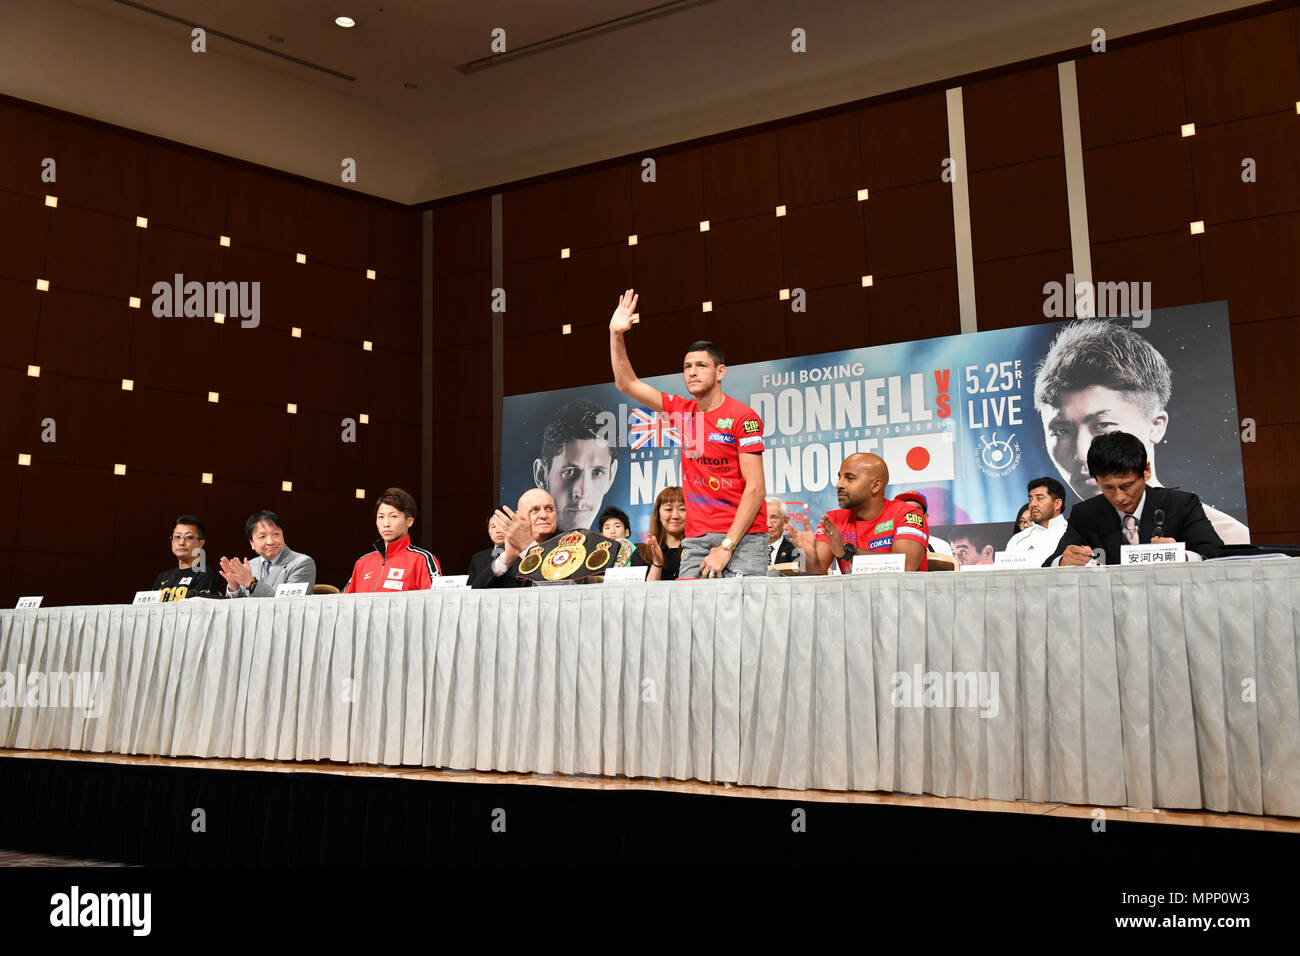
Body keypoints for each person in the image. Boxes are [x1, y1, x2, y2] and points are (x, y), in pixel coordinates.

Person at [1033, 318, 1248, 544]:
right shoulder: (1072, 528)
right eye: (1060, 431)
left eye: (1102, 425)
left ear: (1156, 425)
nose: (1082, 453)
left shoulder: (1229, 537)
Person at [609, 289, 768, 579]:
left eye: (701, 366)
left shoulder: (743, 417)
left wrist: (726, 547)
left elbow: (756, 488)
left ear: (720, 372)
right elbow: (626, 383)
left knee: (744, 620)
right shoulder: (681, 411)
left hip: (743, 537)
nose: (692, 372)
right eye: (687, 367)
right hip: (696, 538)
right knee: (692, 618)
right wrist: (616, 334)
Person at [1045, 431, 1223, 567]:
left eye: (1126, 486)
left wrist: (1182, 556)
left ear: (1146, 471)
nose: (1119, 497)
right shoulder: (1085, 514)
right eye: (1108, 487)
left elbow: (1216, 555)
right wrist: (1062, 561)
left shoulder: (1181, 505)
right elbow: (1049, 564)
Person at [794, 453, 929, 574]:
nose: (838, 484)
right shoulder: (834, 519)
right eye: (839, 477)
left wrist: (846, 552)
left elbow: (906, 566)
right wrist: (808, 557)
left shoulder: (908, 515)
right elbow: (815, 572)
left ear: (875, 486)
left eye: (850, 478)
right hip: (854, 600)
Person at [532, 399, 618, 532]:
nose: (583, 491)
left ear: (611, 476)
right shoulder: (521, 551)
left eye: (597, 473)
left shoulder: (620, 551)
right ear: (541, 475)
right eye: (569, 472)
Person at [343, 488, 442, 593]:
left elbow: (437, 602)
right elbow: (342, 603)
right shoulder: (362, 563)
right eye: (381, 517)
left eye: (393, 516)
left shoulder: (422, 560)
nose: (386, 524)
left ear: (409, 522)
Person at [473, 488, 558, 588]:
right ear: (519, 517)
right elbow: (476, 590)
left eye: (549, 509)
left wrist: (528, 548)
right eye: (534, 510)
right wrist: (506, 559)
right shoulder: (508, 550)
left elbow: (563, 588)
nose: (543, 515)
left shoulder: (572, 542)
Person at [218, 510, 316, 597]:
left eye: (276, 534)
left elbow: (288, 604)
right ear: (252, 543)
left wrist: (252, 583)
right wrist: (234, 587)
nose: (271, 541)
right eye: (262, 536)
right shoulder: (247, 567)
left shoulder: (302, 563)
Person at [152, 515, 225, 601]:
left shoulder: (204, 574)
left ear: (200, 543)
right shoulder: (162, 577)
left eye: (189, 537)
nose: (181, 542)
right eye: (177, 537)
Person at [631, 486, 686, 581]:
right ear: (659, 515)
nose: (675, 516)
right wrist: (657, 563)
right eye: (668, 509)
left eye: (682, 509)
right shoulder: (642, 553)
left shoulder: (699, 550)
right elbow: (643, 594)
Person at [1004, 477, 1067, 558]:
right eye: (1030, 500)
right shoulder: (1017, 540)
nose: (1032, 504)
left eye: (1040, 498)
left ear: (1057, 504)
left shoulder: (1076, 535)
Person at [466, 513, 508, 581]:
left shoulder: (521, 555)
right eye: (493, 526)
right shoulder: (477, 559)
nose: (498, 531)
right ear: (488, 531)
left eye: (502, 526)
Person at [765, 497, 801, 565]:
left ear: (785, 521)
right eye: (764, 518)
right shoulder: (747, 551)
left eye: (774, 518)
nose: (768, 524)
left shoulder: (795, 551)